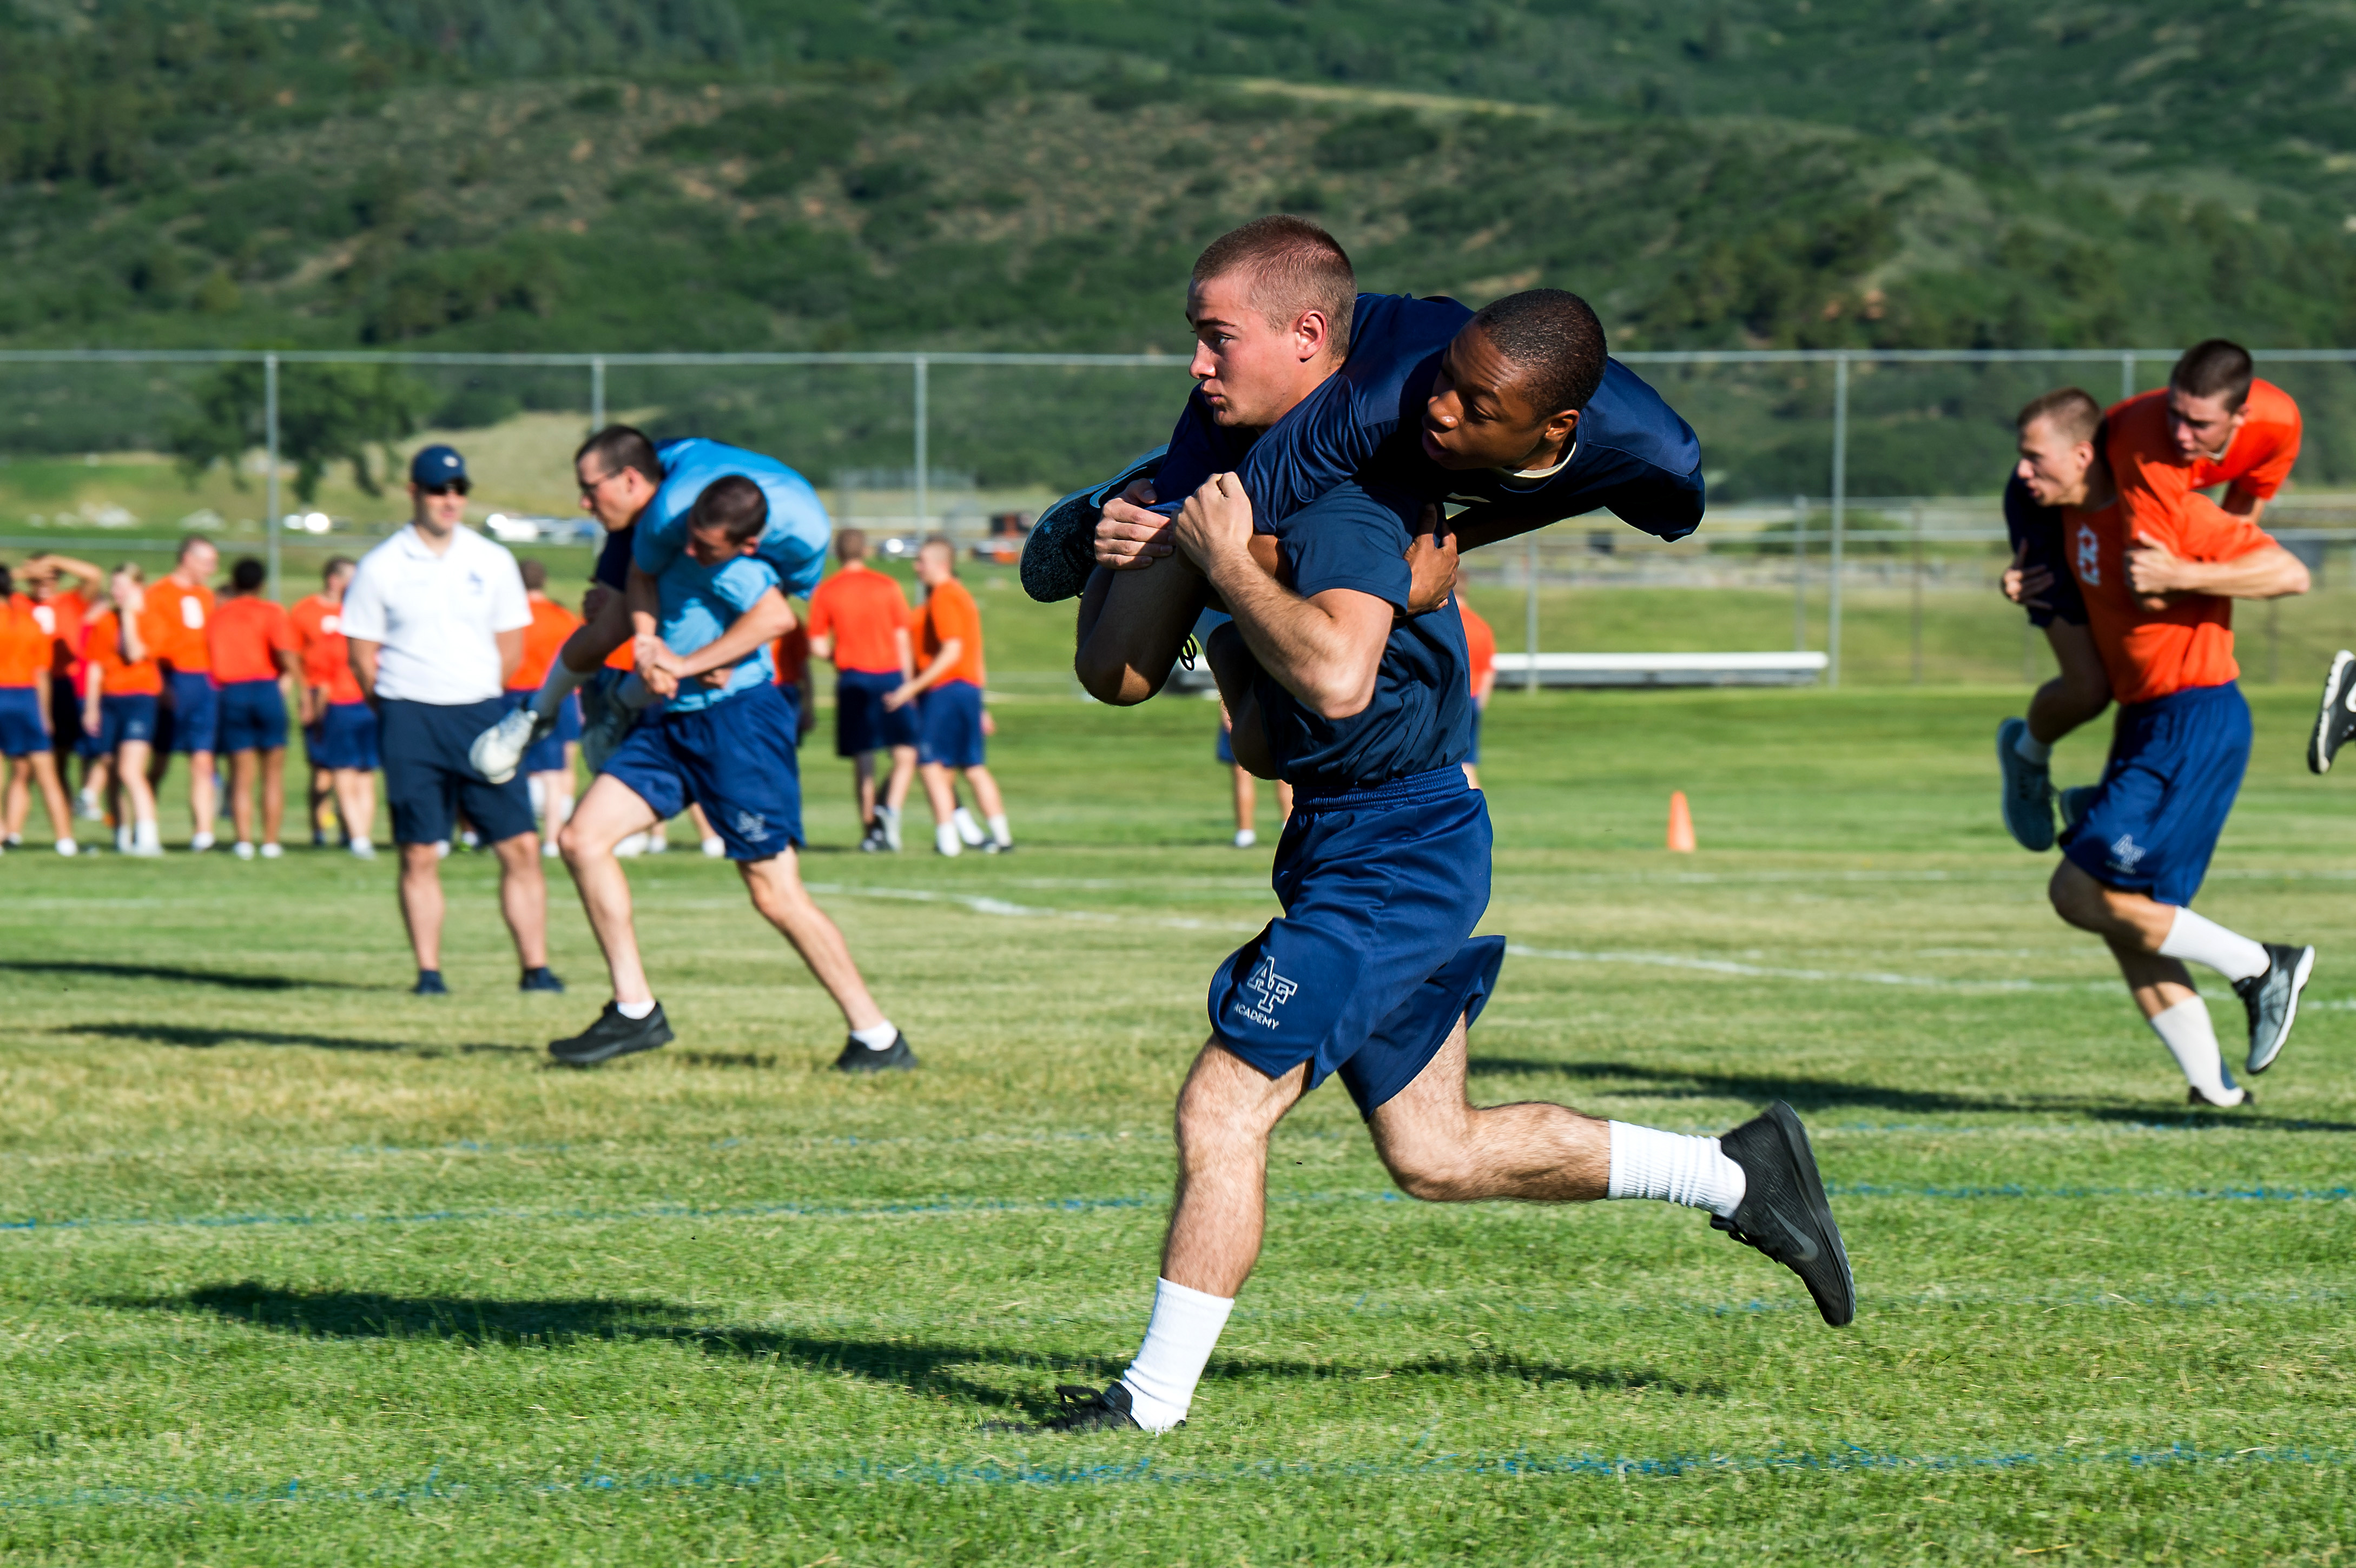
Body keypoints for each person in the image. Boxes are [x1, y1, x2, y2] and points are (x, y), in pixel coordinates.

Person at [1017, 223, 1851, 1437]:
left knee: (1221, 1108)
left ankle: (1144, 1407)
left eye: (1213, 337)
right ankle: (1734, 1171)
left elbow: (1343, 675)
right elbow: (1262, 735)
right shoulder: (1273, 489)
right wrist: (1214, 606)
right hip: (1360, 840)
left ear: (1308, 337)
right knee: (1436, 1150)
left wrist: (1220, 572)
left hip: (1393, 855)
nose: (1194, 365)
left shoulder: (1352, 497)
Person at [548, 474, 914, 1073]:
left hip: (737, 729)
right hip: (672, 725)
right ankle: (635, 1009)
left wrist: (695, 663)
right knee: (580, 839)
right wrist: (634, 633)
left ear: (743, 544)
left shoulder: (740, 566)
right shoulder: (669, 540)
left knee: (773, 893)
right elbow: (644, 590)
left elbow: (776, 620)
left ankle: (876, 1037)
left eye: (708, 545)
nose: (692, 552)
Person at [2014, 387, 2315, 1106]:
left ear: (2081, 454)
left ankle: (2261, 964)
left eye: (2032, 457)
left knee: (2075, 890)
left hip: (2193, 717)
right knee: (2126, 916)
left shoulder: (2160, 512)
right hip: (2146, 723)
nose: (2020, 473)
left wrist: (2182, 573)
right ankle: (2212, 1088)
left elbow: (2289, 572)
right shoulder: (2071, 525)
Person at [2000, 341, 2302, 842]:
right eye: (2173, 413)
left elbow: (2238, 525)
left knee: (2153, 654)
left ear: (2240, 416)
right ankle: (2028, 755)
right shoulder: (2148, 456)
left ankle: (2112, 805)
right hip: (2059, 496)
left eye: (2199, 424)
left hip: (2101, 493)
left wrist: (2208, 571)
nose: (2180, 434)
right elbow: (2150, 593)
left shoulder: (2278, 430)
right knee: (2091, 686)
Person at [470, 428, 830, 786]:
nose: (582, 502)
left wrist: (722, 655)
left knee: (703, 640)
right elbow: (641, 576)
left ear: (750, 546)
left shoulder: (805, 543)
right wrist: (645, 642)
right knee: (611, 625)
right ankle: (537, 711)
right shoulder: (666, 511)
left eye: (588, 489)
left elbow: (769, 614)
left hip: (698, 501)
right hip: (660, 486)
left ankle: (620, 699)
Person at [339, 444, 562, 996]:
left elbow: (511, 645)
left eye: (458, 488)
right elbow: (361, 655)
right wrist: (397, 705)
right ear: (414, 492)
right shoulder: (381, 565)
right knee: (419, 850)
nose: (449, 499)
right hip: (409, 715)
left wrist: (476, 690)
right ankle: (429, 972)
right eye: (438, 489)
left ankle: (535, 968)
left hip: (481, 715)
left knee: (520, 846)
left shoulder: (491, 560)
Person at [886, 537, 1012, 856]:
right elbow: (976, 654)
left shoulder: (944, 594)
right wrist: (979, 703)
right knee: (972, 765)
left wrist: (910, 689)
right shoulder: (962, 597)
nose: (917, 568)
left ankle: (948, 840)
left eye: (922, 562)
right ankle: (1001, 837)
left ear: (941, 565)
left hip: (945, 690)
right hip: (967, 690)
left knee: (929, 763)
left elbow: (952, 650)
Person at [807, 528, 918, 851]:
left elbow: (816, 645)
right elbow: (902, 639)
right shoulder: (887, 586)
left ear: (838, 554)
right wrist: (908, 683)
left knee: (864, 756)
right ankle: (891, 809)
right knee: (905, 752)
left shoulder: (827, 591)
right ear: (866, 551)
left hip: (854, 677)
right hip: (890, 676)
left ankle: (871, 830)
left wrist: (839, 657)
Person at [208, 557, 300, 860]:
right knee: (273, 773)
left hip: (232, 693)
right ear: (262, 584)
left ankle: (244, 842)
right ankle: (271, 842)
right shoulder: (272, 612)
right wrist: (303, 687)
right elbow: (286, 653)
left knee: (240, 774)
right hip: (265, 690)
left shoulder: (219, 615)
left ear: (233, 581)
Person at [291, 556, 379, 857]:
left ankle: (357, 838)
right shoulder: (363, 623)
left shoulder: (343, 630)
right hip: (363, 702)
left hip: (345, 704)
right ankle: (349, 834)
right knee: (354, 775)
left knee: (348, 774)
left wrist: (317, 708)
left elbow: (326, 678)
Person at [82, 565, 164, 856]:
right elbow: (95, 666)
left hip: (140, 699)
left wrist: (129, 615)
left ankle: (148, 838)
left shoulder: (151, 619)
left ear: (139, 587)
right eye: (114, 587)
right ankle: (122, 835)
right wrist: (91, 707)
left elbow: (134, 652)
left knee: (131, 770)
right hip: (110, 700)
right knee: (112, 769)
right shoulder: (105, 621)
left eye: (124, 587)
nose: (117, 594)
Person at [146, 534, 221, 852]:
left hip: (204, 683)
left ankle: (204, 833)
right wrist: (161, 685)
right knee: (159, 761)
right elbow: (151, 645)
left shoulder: (206, 596)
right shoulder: (159, 594)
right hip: (171, 680)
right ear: (187, 559)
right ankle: (141, 823)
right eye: (207, 562)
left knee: (203, 760)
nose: (212, 569)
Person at [19, 553, 103, 826]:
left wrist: (55, 560)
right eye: (38, 578)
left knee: (60, 761)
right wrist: (26, 572)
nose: (44, 582)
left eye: (50, 577)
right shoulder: (19, 604)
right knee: (24, 767)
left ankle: (64, 828)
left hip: (62, 686)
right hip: (26, 687)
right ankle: (13, 830)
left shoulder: (70, 602)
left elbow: (94, 575)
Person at [510, 558, 585, 858]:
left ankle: (521, 832)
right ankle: (553, 838)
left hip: (517, 693)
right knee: (556, 770)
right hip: (560, 694)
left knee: (516, 767)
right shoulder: (563, 617)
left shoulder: (513, 618)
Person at [0, 564, 77, 855]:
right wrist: (44, 715)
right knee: (46, 773)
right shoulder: (31, 623)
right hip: (26, 700)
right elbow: (41, 673)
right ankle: (65, 839)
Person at [1217, 699, 1290, 849]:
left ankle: (1245, 833)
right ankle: (1289, 828)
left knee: (1242, 771)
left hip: (1244, 705)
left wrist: (1225, 706)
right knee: (1285, 770)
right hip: (1281, 702)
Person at [1459, 586, 1497, 790]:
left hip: (1450, 700)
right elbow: (1488, 671)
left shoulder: (1447, 624)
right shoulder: (1480, 626)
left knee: (1458, 767)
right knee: (1468, 764)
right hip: (1473, 697)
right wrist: (1479, 704)